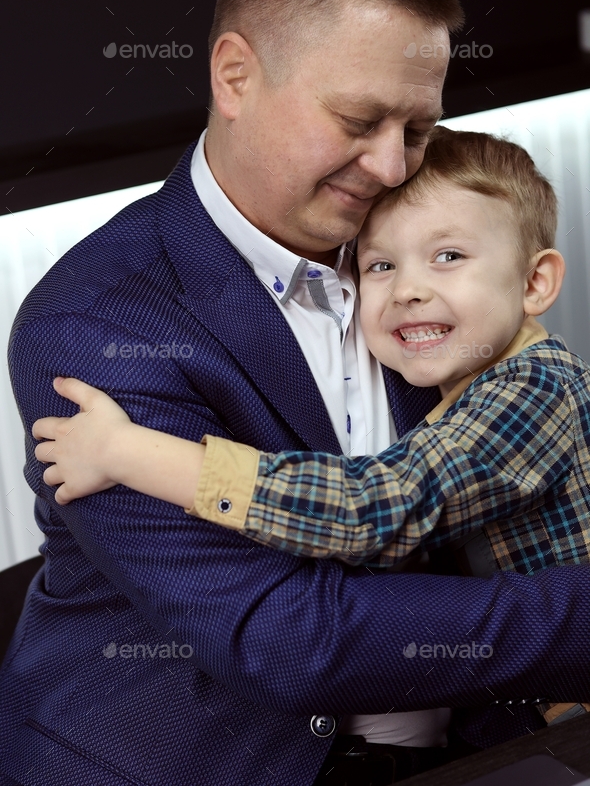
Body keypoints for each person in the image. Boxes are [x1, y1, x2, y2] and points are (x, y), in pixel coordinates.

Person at [3, 0, 590, 785]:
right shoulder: (95, 322)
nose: (394, 167)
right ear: (235, 76)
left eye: (418, 129)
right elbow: (288, 640)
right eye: (359, 119)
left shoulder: (424, 252)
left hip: (467, 742)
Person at [35, 125, 590, 732]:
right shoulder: (87, 315)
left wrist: (126, 450)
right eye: (380, 264)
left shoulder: (532, 389)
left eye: (449, 256)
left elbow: (370, 508)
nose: (408, 290)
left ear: (536, 282)